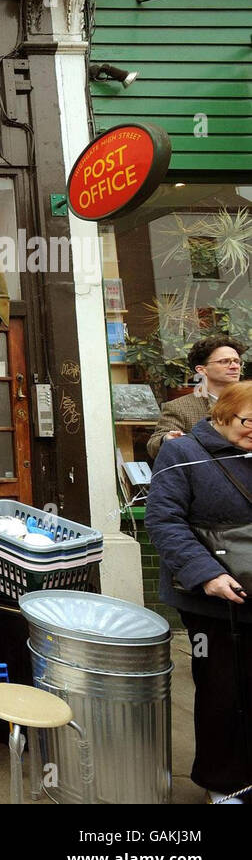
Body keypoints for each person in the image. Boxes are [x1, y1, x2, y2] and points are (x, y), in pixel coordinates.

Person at [146, 381, 252, 803]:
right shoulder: (182, 452)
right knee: (222, 688)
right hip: (212, 599)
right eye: (248, 422)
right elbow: (163, 520)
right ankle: (223, 783)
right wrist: (206, 574)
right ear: (222, 414)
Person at [148, 334, 246, 459]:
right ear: (201, 370)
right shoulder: (180, 407)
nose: (234, 366)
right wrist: (167, 439)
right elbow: (154, 445)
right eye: (225, 361)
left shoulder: (248, 401)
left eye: (237, 361)